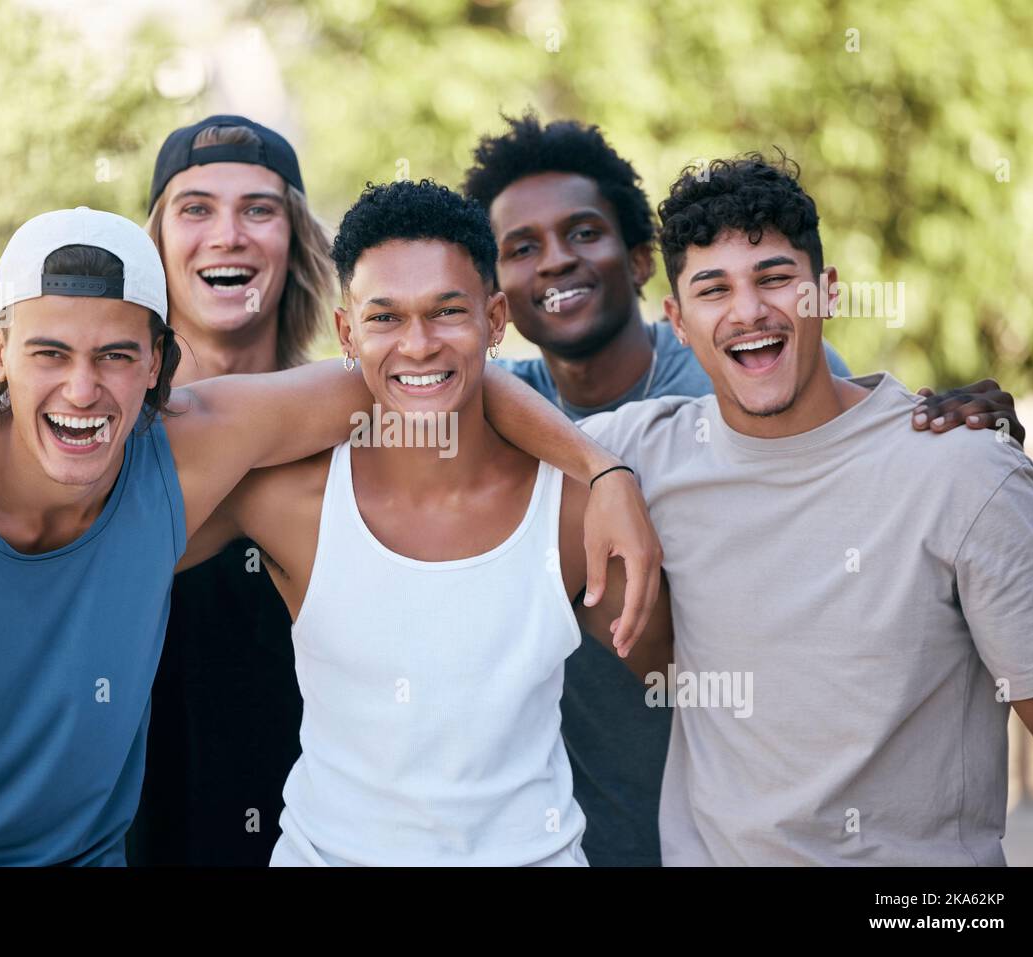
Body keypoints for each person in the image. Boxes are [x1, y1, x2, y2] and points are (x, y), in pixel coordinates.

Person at [0, 206, 658, 865]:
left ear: (160, 364)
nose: (82, 388)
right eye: (48, 353)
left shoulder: (181, 463)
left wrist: (600, 467)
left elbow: (422, 368)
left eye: (116, 354)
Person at [463, 112, 1029, 866]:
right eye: (521, 248)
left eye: (774, 279)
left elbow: (832, 427)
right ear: (680, 315)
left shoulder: (942, 460)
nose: (749, 308)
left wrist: (957, 440)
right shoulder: (610, 436)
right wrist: (600, 469)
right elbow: (434, 389)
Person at [0, 115, 329, 865]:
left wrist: (574, 459)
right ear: (153, 252)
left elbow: (420, 375)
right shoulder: (56, 439)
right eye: (196, 208)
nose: (228, 235)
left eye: (259, 208)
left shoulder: (325, 439)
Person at [176, 178, 669, 865]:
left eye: (446, 312)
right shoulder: (290, 500)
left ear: (495, 320)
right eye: (384, 318)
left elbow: (672, 680)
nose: (418, 344)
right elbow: (124, 504)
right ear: (346, 331)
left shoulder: (577, 513)